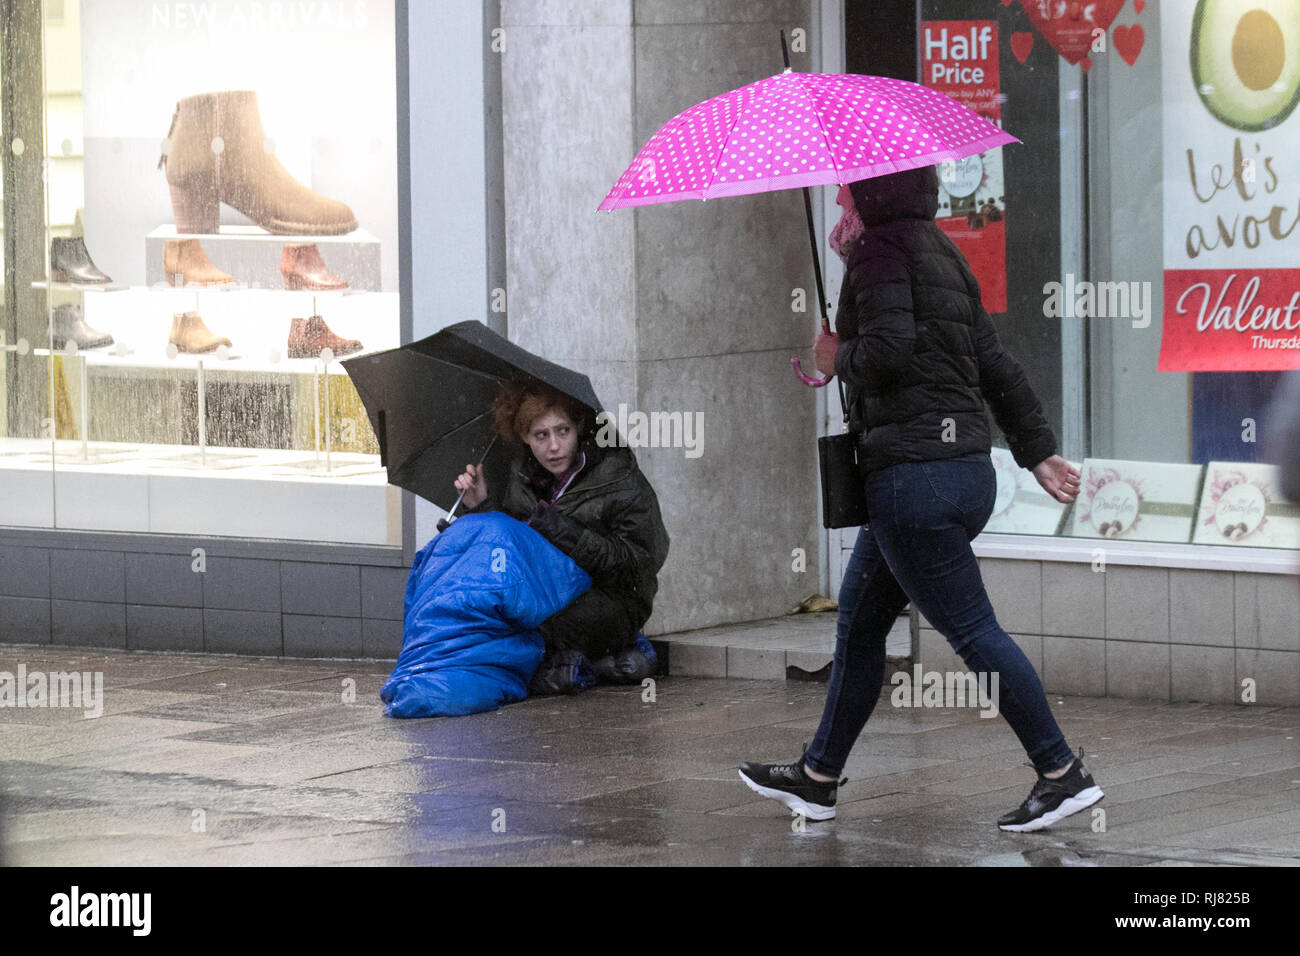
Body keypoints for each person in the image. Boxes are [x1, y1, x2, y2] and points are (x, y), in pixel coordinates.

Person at [739, 166, 1104, 831]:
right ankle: (818, 778)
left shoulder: (880, 252)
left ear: (875, 192)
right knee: (859, 624)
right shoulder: (941, 250)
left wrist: (836, 355)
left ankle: (1061, 773)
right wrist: (1037, 450)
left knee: (971, 631)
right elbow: (995, 363)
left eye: (849, 187)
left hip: (915, 478)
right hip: (961, 472)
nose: (840, 196)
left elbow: (888, 352)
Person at [453, 380, 670, 692]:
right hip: (545, 596)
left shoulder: (616, 476)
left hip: (612, 602)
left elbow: (639, 564)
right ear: (525, 437)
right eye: (541, 435)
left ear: (578, 428)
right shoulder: (523, 477)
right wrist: (479, 507)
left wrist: (561, 530)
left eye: (562, 431)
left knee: (517, 628)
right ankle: (588, 667)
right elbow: (511, 549)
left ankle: (563, 669)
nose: (554, 446)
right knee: (484, 613)